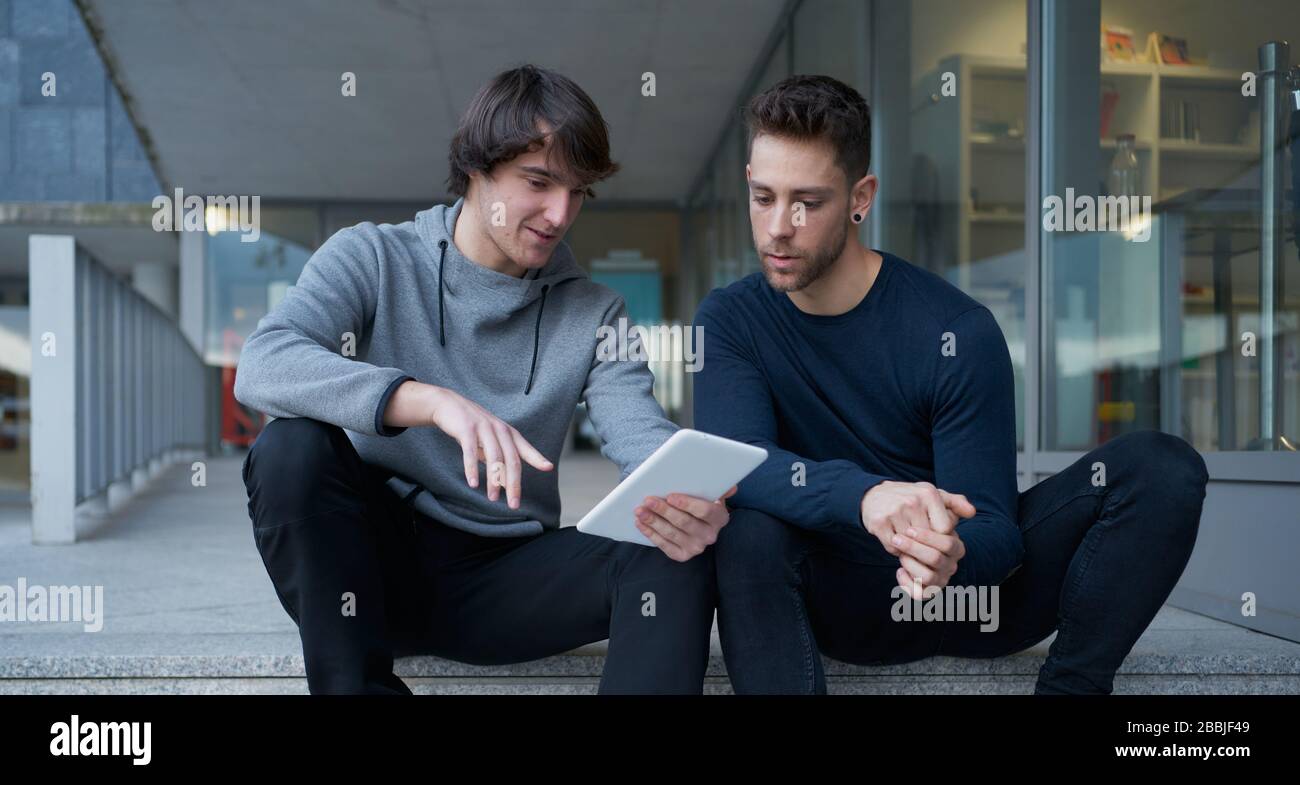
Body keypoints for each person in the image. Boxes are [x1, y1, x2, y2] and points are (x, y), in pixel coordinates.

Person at [693, 74, 1208, 695]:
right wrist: (868, 496)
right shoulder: (730, 320)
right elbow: (740, 465)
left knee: (1162, 466)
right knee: (748, 529)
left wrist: (951, 552)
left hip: (970, 600)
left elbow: (994, 529)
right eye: (764, 197)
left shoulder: (955, 329)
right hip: (831, 600)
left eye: (808, 201)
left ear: (861, 197)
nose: (779, 227)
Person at [236, 64, 731, 695]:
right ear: (477, 168)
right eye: (538, 181)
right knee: (290, 447)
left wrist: (687, 500)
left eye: (577, 191)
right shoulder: (372, 256)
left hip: (504, 580)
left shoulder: (593, 311)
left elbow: (640, 439)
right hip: (362, 574)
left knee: (670, 549)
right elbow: (264, 362)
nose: (559, 213)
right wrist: (423, 399)